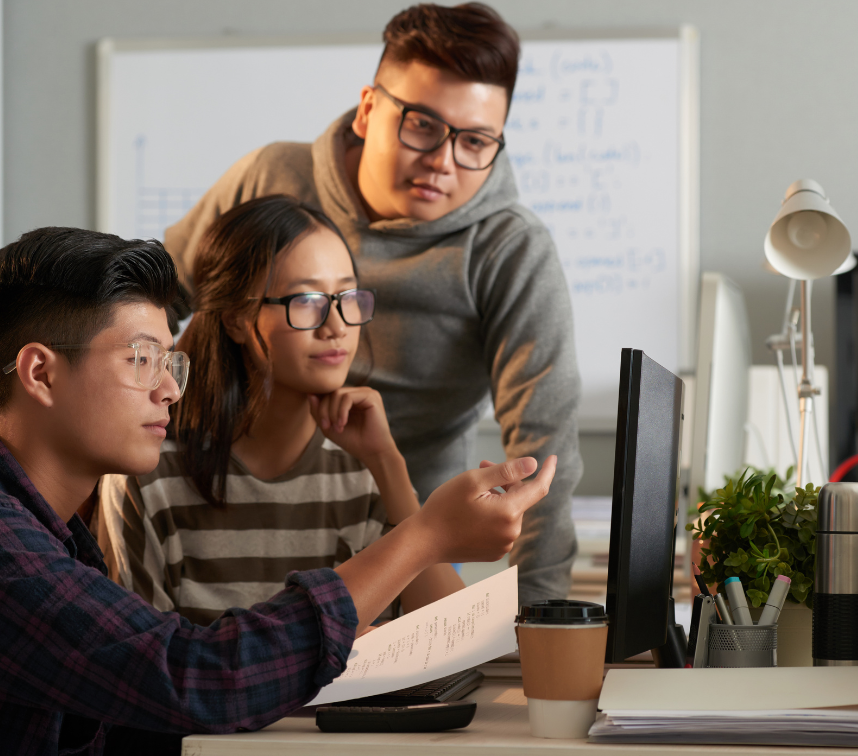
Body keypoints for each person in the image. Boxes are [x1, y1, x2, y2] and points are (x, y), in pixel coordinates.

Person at [0, 226, 552, 755]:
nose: (169, 389)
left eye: (170, 363)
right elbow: (196, 677)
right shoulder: (12, 547)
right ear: (41, 374)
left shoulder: (57, 539)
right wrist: (425, 535)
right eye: (141, 360)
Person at [163, 2, 583, 603]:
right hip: (231, 510)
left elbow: (545, 451)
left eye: (476, 141)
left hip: (403, 529)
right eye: (421, 125)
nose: (443, 161)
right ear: (368, 110)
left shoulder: (509, 249)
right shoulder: (271, 176)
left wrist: (543, 616)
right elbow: (156, 298)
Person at [99, 195, 463, 624]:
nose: (337, 326)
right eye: (306, 300)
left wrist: (387, 463)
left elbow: (453, 630)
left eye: (346, 295)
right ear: (236, 316)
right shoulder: (149, 470)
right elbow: (146, 665)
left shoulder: (362, 467)